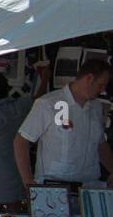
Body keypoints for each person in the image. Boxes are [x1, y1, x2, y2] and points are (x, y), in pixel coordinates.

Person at [14, 57, 113, 189]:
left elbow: (100, 144)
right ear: (89, 78)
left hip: (90, 186)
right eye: (101, 85)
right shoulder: (48, 103)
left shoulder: (96, 107)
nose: (103, 90)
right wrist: (28, 182)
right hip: (54, 187)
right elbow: (21, 141)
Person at [0, 64, 51, 210]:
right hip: (20, 162)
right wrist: (44, 80)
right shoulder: (22, 105)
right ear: (7, 88)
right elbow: (39, 99)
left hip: (0, 164)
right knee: (15, 204)